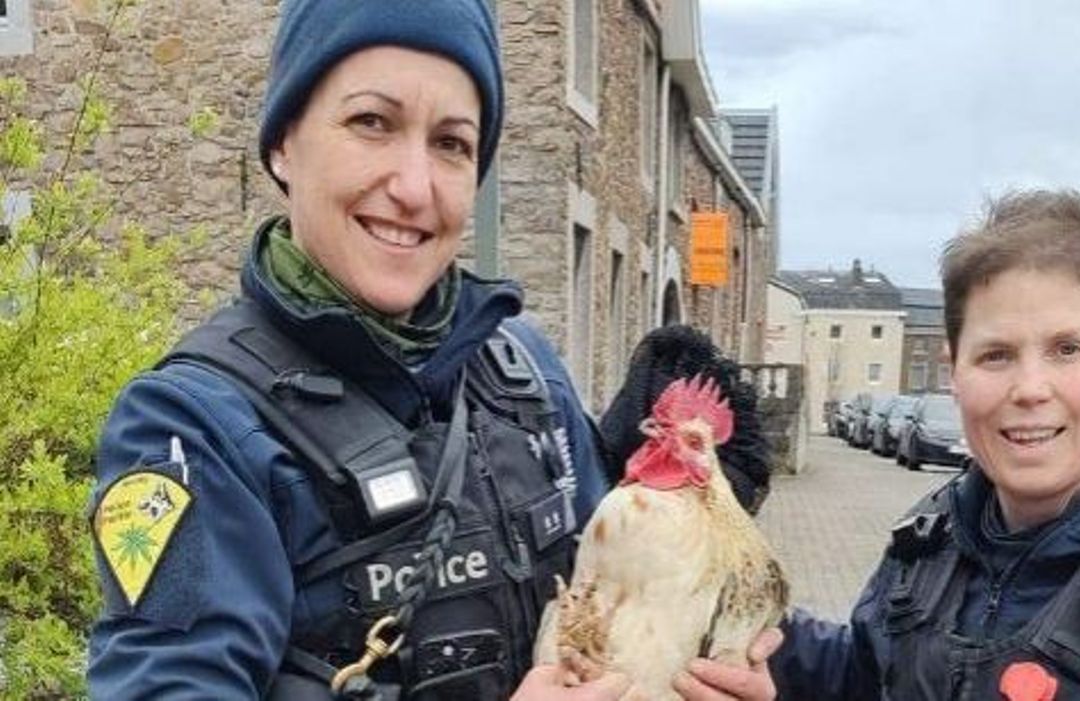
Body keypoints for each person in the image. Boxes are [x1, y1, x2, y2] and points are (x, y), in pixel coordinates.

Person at [85, 2, 780, 699]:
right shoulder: (194, 424)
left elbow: (623, 606)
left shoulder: (525, 370)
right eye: (371, 123)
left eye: (452, 143)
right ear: (283, 144)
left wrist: (704, 657)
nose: (414, 187)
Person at [770, 190, 1080, 699]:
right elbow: (870, 677)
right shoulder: (930, 541)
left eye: (1068, 350)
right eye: (996, 355)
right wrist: (774, 663)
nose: (1030, 389)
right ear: (954, 369)